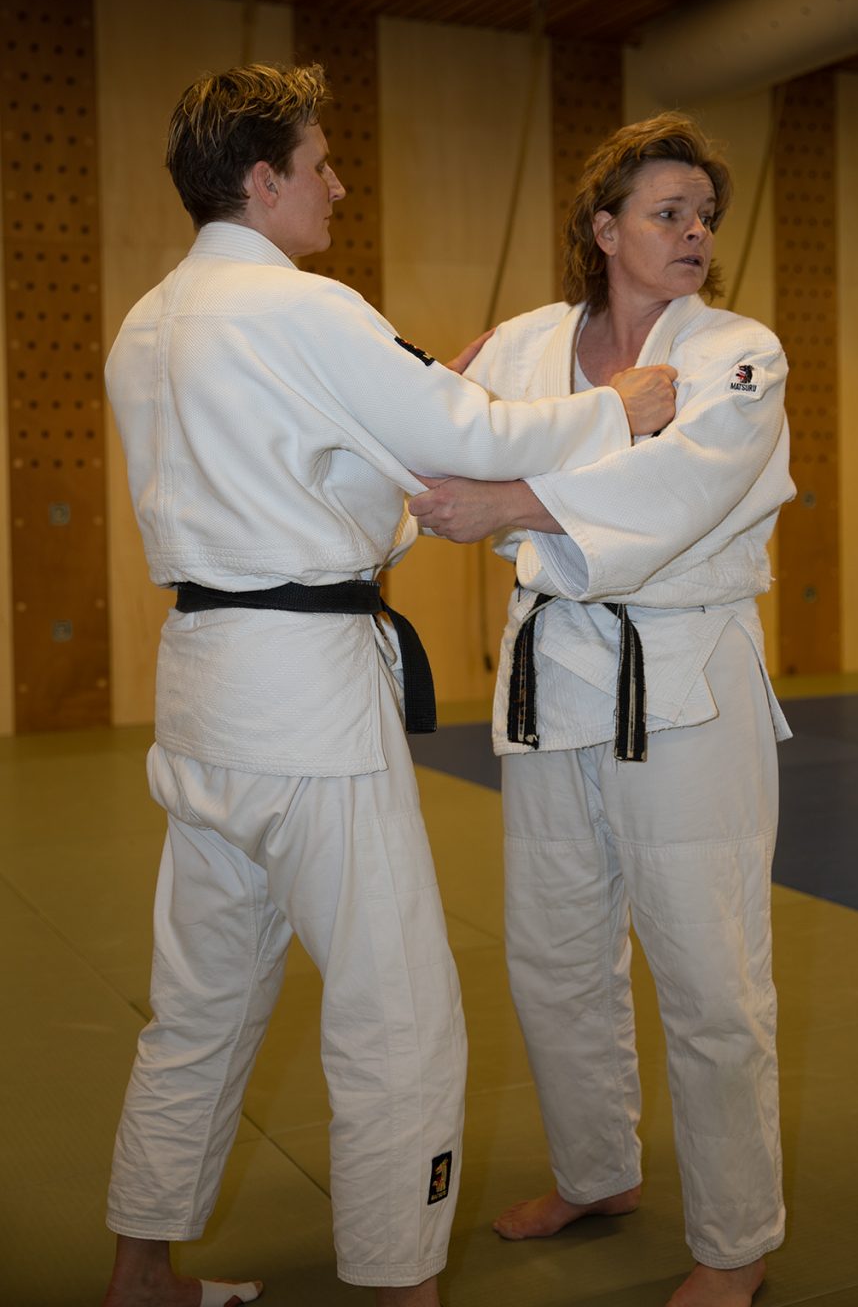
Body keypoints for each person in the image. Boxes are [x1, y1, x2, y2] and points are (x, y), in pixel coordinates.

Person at [100, 64, 679, 1307]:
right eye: (319, 164)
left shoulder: (147, 323)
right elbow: (465, 438)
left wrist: (426, 405)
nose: (337, 184)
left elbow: (333, 493)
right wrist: (611, 413)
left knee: (199, 1000)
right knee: (396, 1010)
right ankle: (400, 1287)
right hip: (307, 705)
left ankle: (139, 1269)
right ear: (262, 181)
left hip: (204, 695)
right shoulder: (302, 308)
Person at [410, 112, 796, 1307]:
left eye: (703, 215)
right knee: (554, 953)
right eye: (667, 211)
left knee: (709, 975)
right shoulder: (525, 344)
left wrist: (511, 497)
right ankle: (595, 1172)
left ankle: (736, 1243)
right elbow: (431, 435)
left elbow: (675, 489)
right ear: (603, 228)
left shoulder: (738, 351)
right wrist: (432, 386)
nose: (694, 232)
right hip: (551, 679)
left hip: (684, 681)